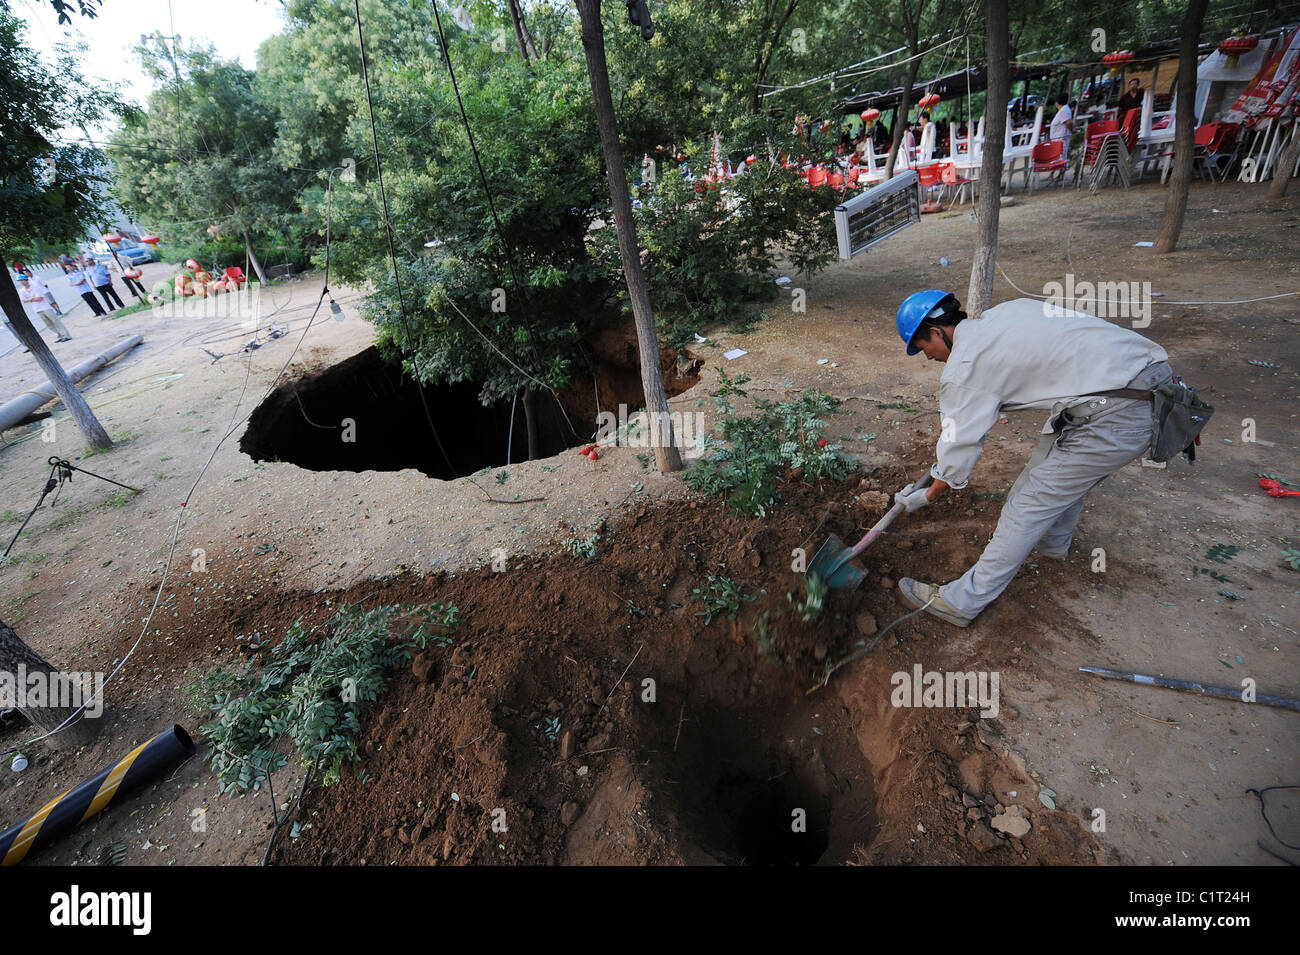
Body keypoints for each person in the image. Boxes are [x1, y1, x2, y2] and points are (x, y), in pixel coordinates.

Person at [888, 290, 1173, 628]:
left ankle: (961, 602)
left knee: (1027, 504)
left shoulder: (965, 366)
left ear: (936, 332)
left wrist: (929, 494)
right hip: (1146, 382)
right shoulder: (1007, 312)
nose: (929, 358)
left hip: (1118, 410)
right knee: (1056, 471)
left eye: (923, 348)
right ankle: (1053, 548)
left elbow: (959, 443)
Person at [17, 276, 72, 342]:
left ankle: (66, 335)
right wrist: (33, 298)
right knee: (49, 324)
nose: (21, 282)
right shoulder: (22, 291)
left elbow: (39, 298)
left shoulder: (35, 287)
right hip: (37, 309)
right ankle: (59, 335)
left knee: (55, 321)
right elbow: (23, 300)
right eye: (20, 281)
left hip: (45, 307)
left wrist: (29, 299)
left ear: (26, 280)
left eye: (23, 280)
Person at [1048, 92, 1073, 160]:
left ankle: (1063, 168)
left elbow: (1068, 123)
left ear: (1057, 103)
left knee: (1061, 156)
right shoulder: (1064, 109)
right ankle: (1062, 168)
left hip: (1061, 137)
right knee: (1060, 155)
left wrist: (1072, 130)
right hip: (1059, 137)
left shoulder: (1063, 110)